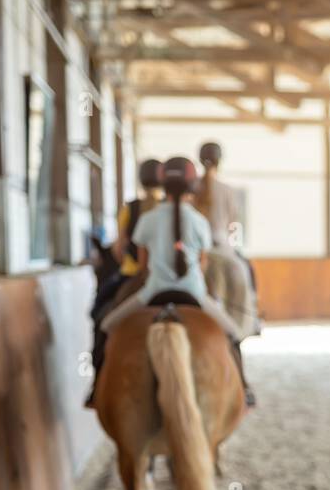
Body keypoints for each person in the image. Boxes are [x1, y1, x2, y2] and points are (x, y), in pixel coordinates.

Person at [97, 156, 255, 405]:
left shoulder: (148, 220)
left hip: (152, 293)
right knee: (233, 334)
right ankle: (244, 389)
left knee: (106, 326)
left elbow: (144, 265)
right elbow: (202, 264)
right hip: (194, 294)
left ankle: (97, 387)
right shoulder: (200, 222)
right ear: (191, 188)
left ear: (164, 187)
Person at [86, 158, 162, 408]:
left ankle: (97, 383)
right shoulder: (168, 207)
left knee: (99, 314)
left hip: (132, 275)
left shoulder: (130, 208)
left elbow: (119, 248)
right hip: (166, 277)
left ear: (141, 179)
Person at [196, 141, 260, 338]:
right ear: (219, 161)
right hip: (222, 248)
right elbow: (232, 223)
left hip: (198, 250)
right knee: (247, 271)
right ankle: (253, 318)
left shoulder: (193, 188)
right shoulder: (227, 190)